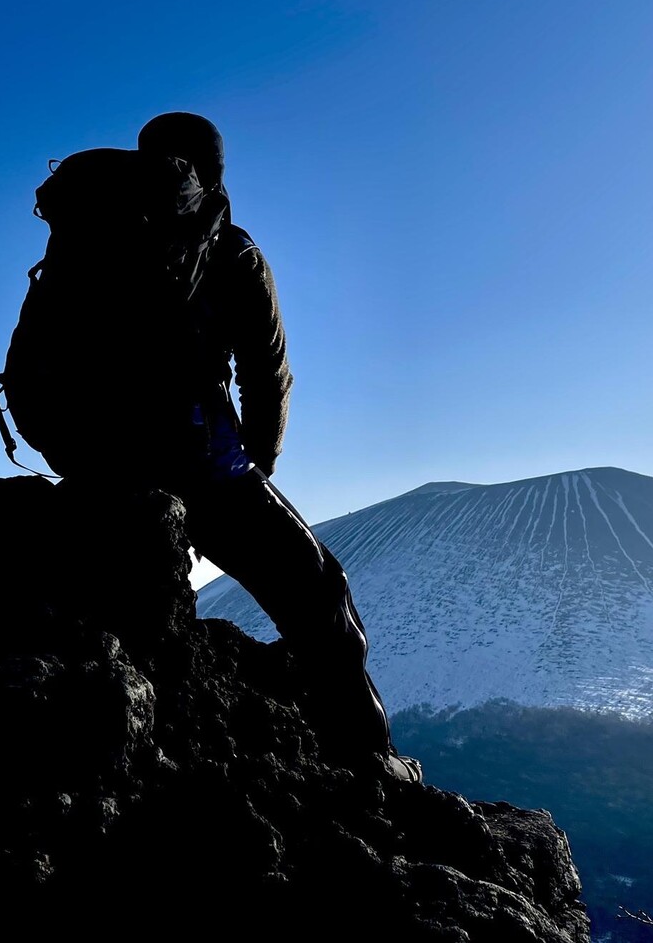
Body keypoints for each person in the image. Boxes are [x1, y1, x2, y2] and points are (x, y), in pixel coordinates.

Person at [81, 112, 419, 782]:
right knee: (319, 590)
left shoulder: (89, 234)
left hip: (97, 458)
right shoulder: (230, 251)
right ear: (214, 169)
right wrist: (253, 465)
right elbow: (267, 373)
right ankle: (368, 757)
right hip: (203, 464)